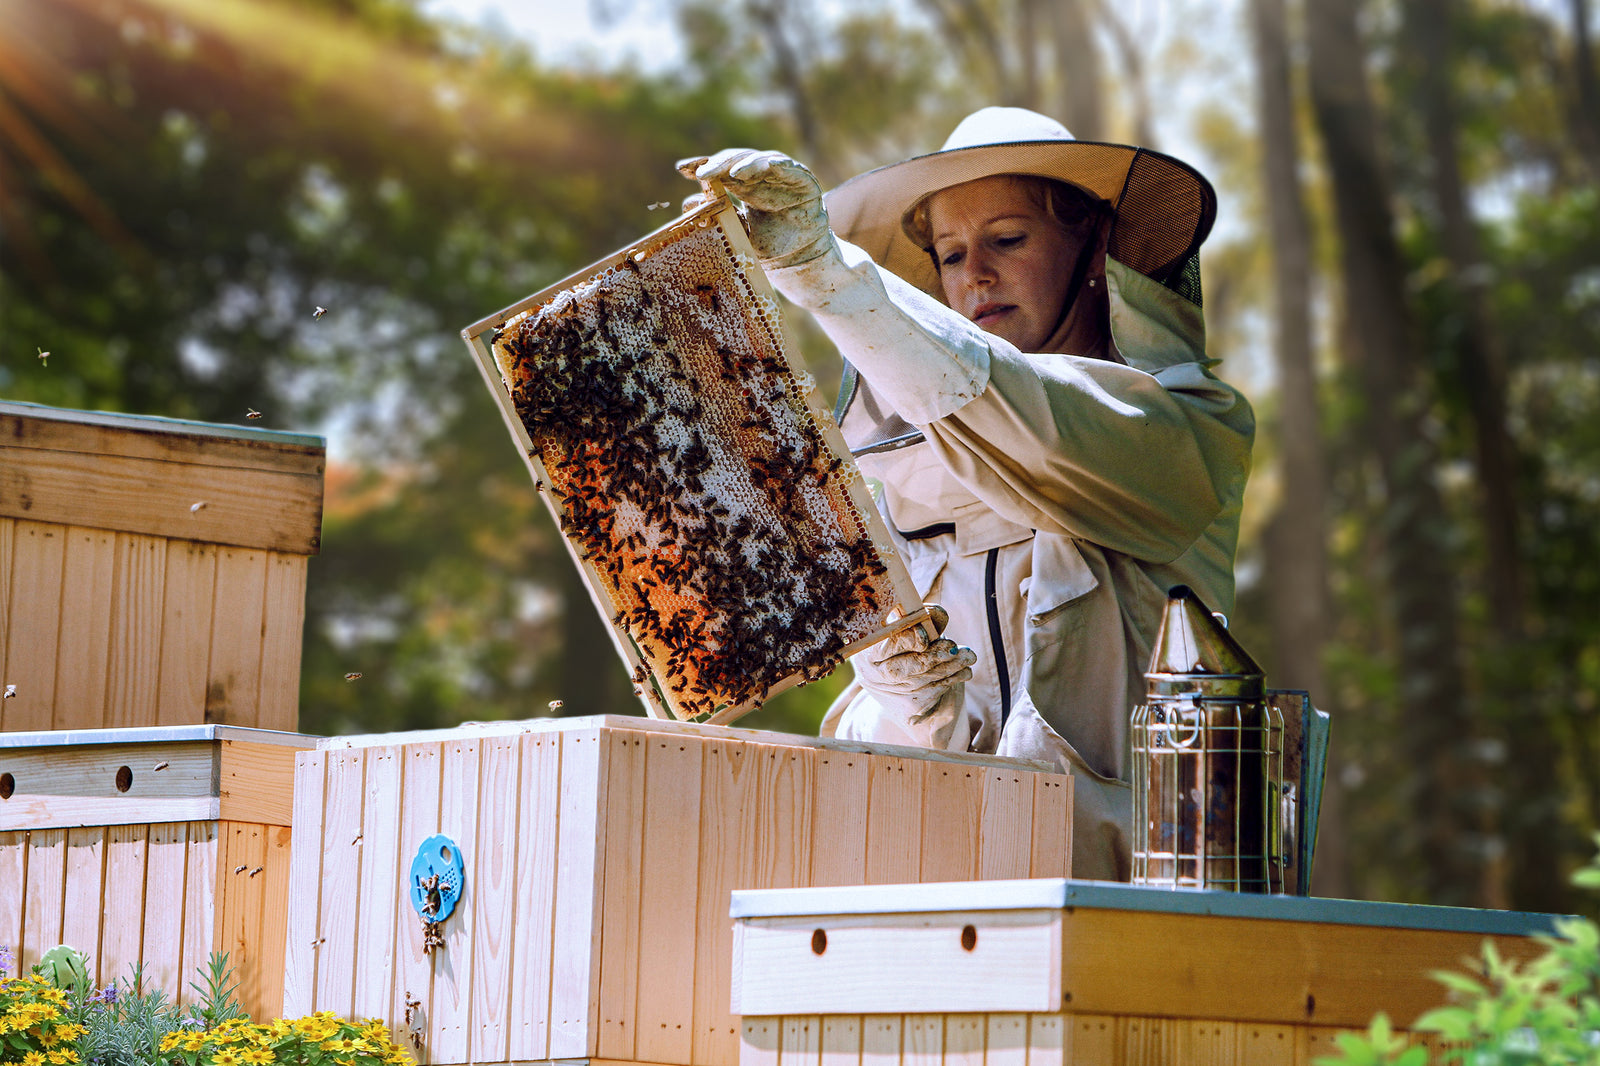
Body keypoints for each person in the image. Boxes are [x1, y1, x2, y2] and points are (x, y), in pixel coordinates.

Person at [681, 107, 1254, 880]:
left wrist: (826, 272)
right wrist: (911, 709)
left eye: (1008, 239)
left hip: (1130, 906)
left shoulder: (1180, 431)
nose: (974, 274)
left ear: (1094, 250)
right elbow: (892, 762)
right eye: (950, 255)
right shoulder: (897, 484)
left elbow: (1032, 423)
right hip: (931, 899)